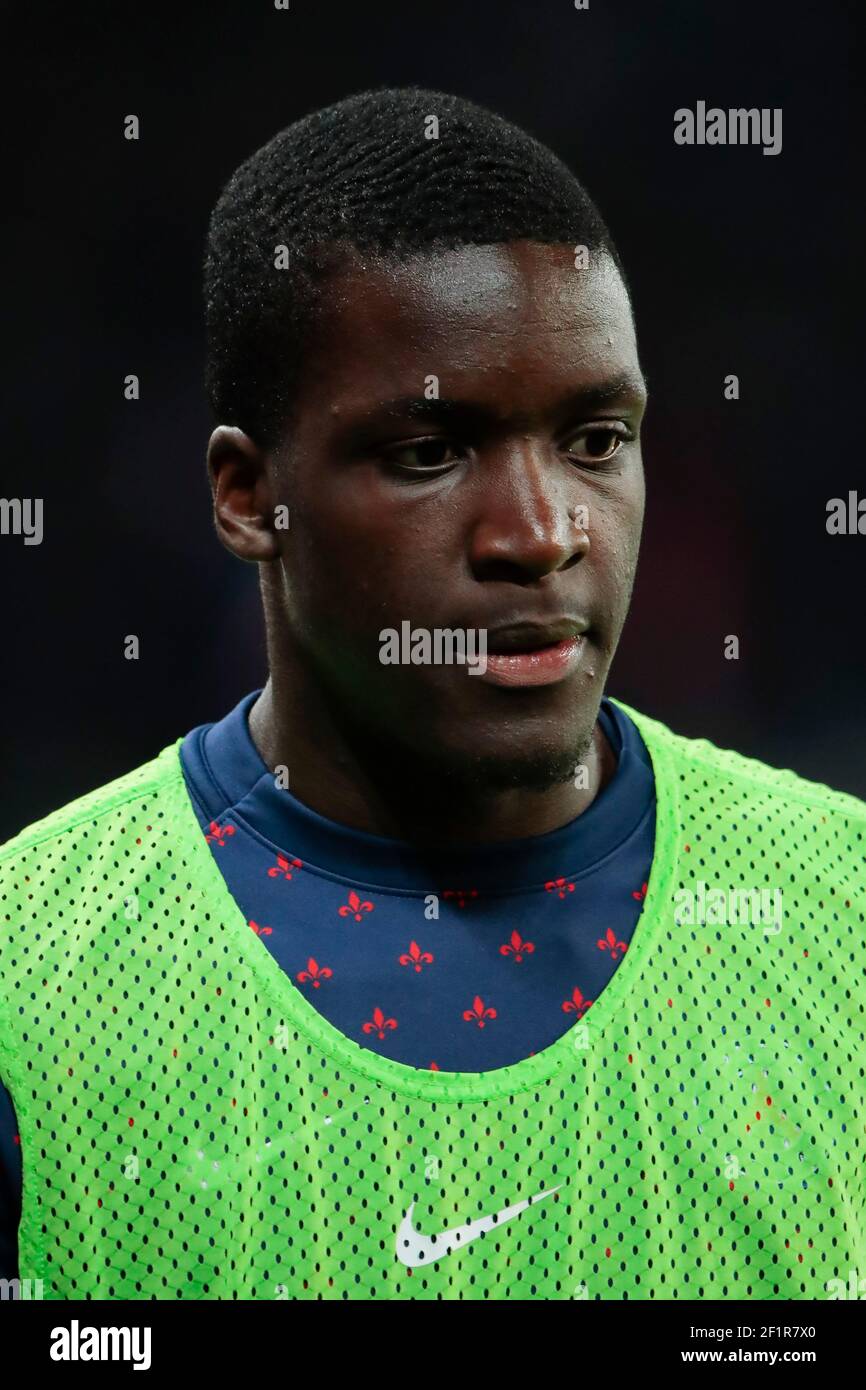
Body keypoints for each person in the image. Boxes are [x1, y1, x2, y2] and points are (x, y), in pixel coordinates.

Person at [0, 86, 863, 1301]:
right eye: (428, 451)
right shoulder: (29, 977)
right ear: (251, 498)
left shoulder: (843, 920)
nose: (540, 533)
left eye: (596, 441)